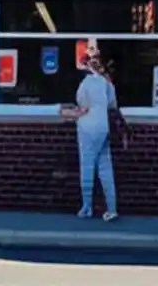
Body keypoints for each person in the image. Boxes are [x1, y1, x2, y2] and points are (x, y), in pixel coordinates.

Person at [63, 56, 119, 221]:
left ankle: (87, 207)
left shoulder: (85, 84)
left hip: (87, 127)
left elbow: (81, 103)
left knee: (87, 166)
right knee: (105, 167)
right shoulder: (106, 83)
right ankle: (112, 208)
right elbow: (112, 104)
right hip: (104, 126)